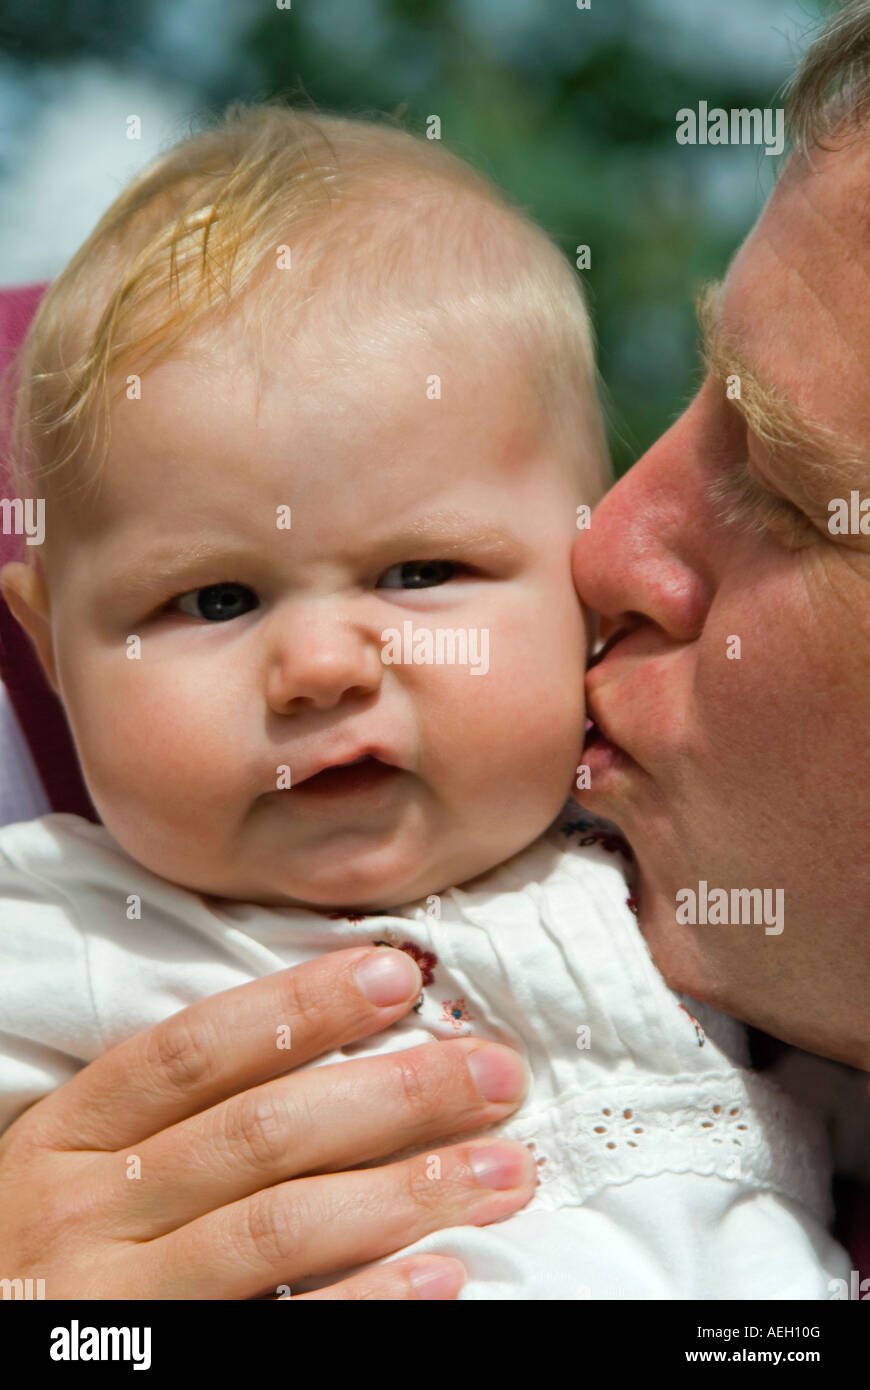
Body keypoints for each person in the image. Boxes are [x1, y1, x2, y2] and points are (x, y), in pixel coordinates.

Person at [0, 99, 855, 1299]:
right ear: (51, 649)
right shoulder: (72, 928)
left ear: (576, 573)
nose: (323, 667)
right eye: (211, 600)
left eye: (420, 573)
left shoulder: (677, 896)